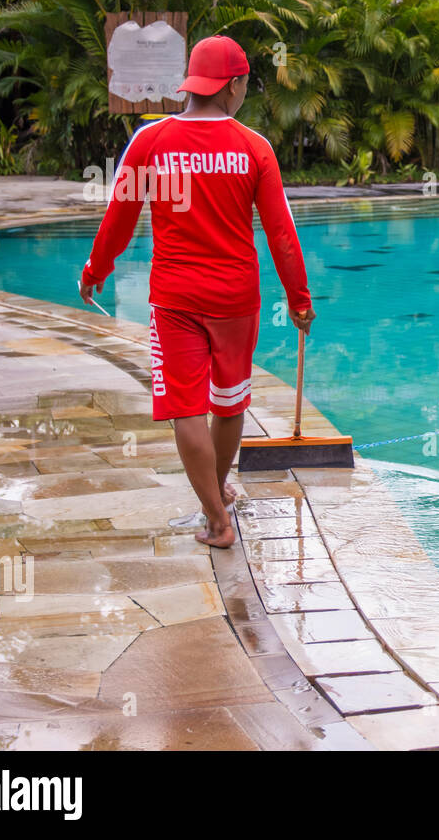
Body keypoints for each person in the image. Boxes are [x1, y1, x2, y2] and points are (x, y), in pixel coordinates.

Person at [79, 35, 315, 547]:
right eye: (246, 82)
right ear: (232, 86)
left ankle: (215, 517)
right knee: (229, 403)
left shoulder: (149, 142)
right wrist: (299, 300)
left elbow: (119, 217)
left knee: (185, 407)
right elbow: (281, 234)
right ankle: (218, 493)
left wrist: (96, 269)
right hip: (237, 299)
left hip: (175, 300)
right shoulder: (255, 148)